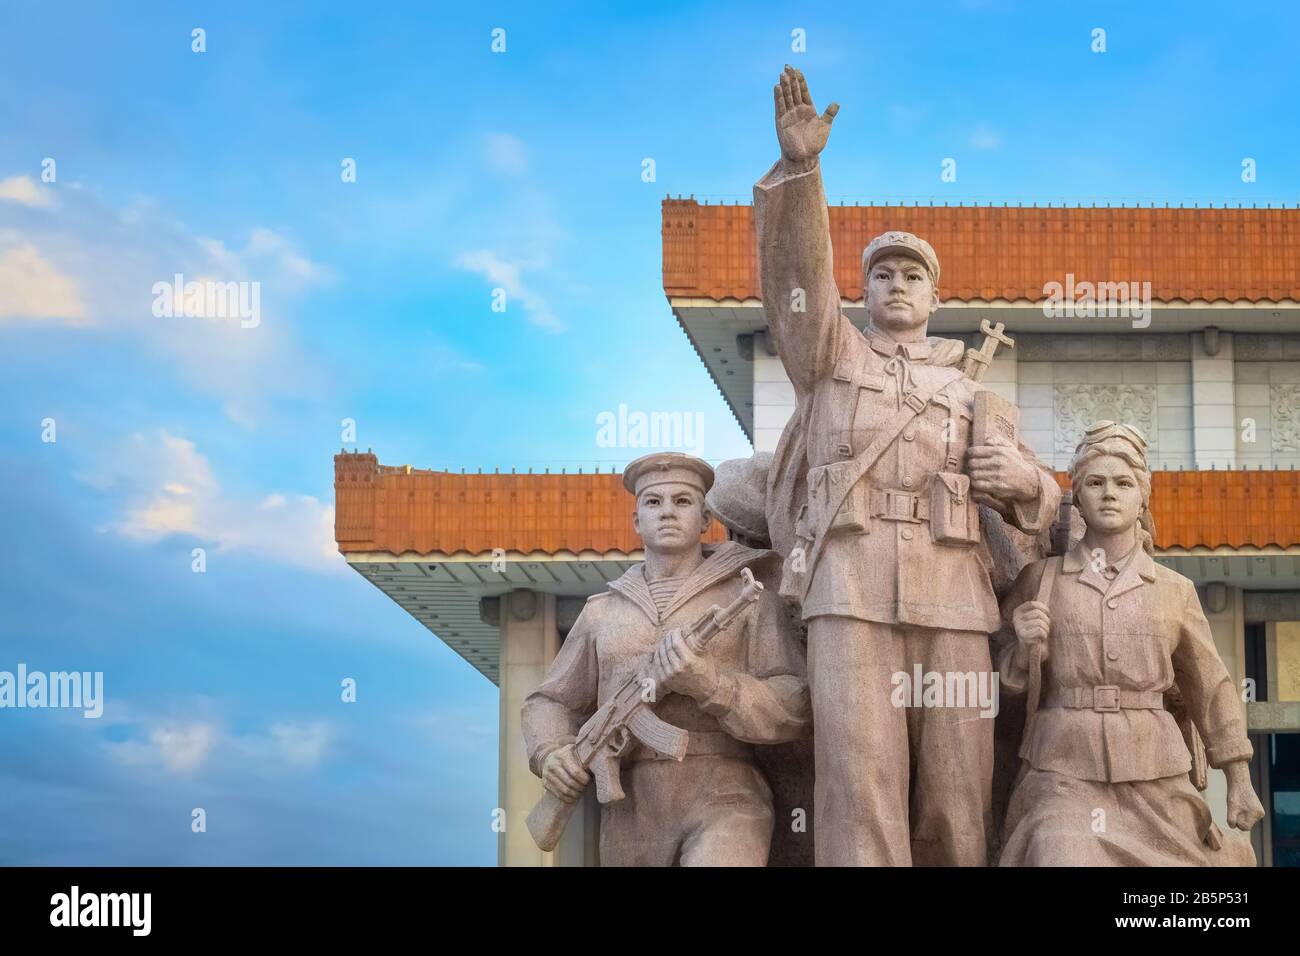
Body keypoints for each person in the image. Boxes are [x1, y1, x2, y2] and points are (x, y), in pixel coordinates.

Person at [757, 65, 1061, 865]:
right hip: (850, 591)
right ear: (862, 293)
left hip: (956, 598)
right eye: (882, 274)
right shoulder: (829, 360)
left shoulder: (970, 392)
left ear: (934, 298)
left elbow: (1042, 500)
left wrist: (1028, 485)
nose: (897, 284)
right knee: (859, 786)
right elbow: (798, 285)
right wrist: (801, 173)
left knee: (958, 790)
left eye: (912, 276)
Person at [521, 452, 811, 865]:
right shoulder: (601, 612)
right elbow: (550, 701)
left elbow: (796, 702)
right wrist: (551, 753)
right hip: (631, 807)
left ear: (705, 518)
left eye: (683, 501)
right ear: (636, 520)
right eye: (654, 502)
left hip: (725, 791)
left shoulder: (748, 600)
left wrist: (713, 685)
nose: (668, 512)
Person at [996, 422, 1264, 865]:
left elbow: (1210, 687)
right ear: (1077, 496)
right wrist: (1024, 654)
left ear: (1143, 498)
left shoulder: (1174, 590)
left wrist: (1238, 778)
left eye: (1123, 483)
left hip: (1156, 776)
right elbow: (999, 695)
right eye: (1095, 483)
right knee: (1059, 853)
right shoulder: (1038, 582)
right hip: (1063, 772)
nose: (1109, 493)